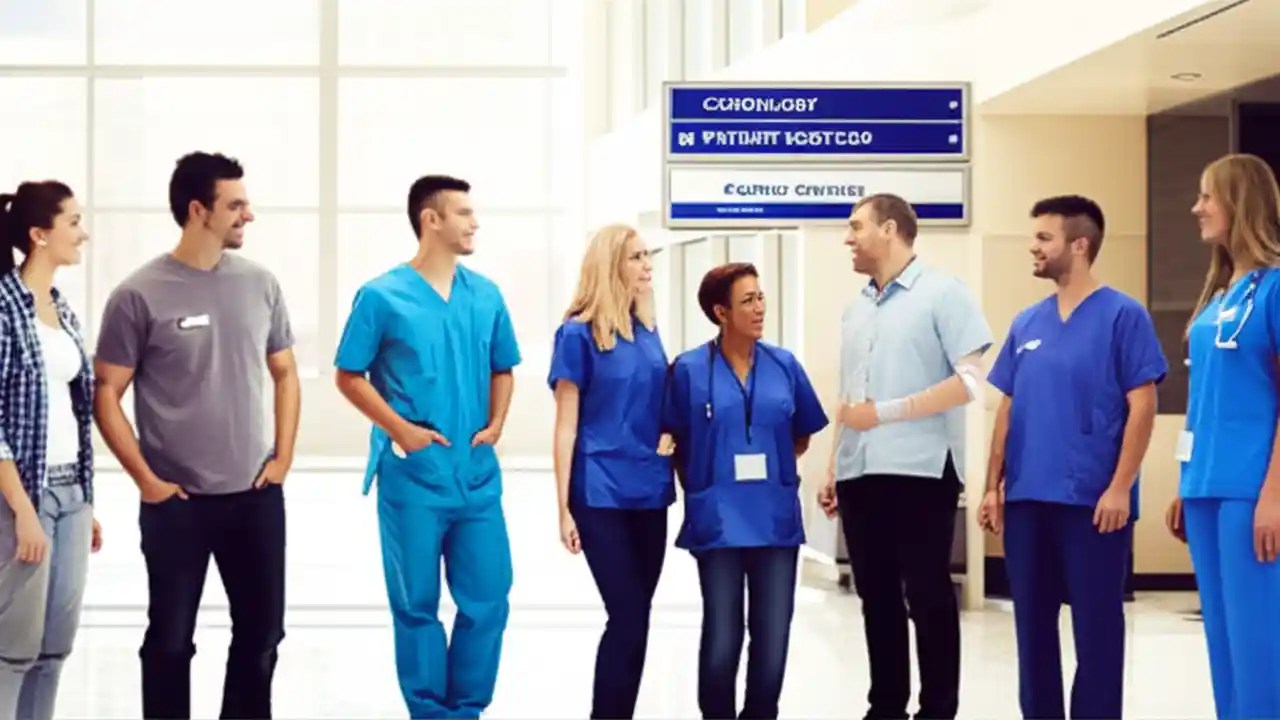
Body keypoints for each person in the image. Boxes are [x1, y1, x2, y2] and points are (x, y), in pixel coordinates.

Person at [93, 152, 300, 720]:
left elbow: (285, 372)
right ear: (197, 210)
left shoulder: (261, 284)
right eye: (235, 205)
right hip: (176, 505)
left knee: (262, 637)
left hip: (255, 496)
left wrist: (282, 459)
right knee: (169, 642)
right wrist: (147, 480)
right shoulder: (138, 295)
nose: (248, 215)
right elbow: (106, 392)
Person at [334, 174, 521, 719]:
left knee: (488, 596)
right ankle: (429, 713)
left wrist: (499, 420)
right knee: (416, 603)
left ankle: (466, 710)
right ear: (430, 219)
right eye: (463, 213)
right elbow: (350, 375)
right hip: (413, 476)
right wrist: (401, 431)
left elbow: (503, 367)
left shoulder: (485, 294)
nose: (474, 223)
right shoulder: (381, 296)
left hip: (477, 477)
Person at [981, 195, 1166, 719]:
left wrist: (1119, 486)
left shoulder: (1123, 316)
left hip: (1093, 504)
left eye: (1044, 238)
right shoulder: (1027, 322)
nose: (1033, 247)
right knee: (1032, 632)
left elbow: (1143, 403)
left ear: (1078, 245)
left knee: (1098, 630)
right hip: (1026, 501)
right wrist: (993, 485)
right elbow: (1007, 407)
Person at [817, 193, 992, 720]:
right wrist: (832, 468)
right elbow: (850, 400)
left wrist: (888, 412)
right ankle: (885, 706)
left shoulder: (944, 294)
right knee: (875, 598)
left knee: (928, 596)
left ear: (889, 229)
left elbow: (968, 383)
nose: (847, 238)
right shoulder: (856, 308)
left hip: (921, 471)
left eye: (856, 227)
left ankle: (938, 710)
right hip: (859, 471)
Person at [663, 262, 828, 720]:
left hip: (774, 520)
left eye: (761, 297)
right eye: (747, 301)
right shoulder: (690, 369)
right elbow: (674, 438)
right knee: (722, 635)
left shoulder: (784, 365)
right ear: (721, 312)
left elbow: (801, 434)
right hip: (717, 519)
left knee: (773, 637)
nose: (759, 308)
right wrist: (702, 485)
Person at [1166, 152, 1280, 720]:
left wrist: (1274, 494)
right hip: (1205, 486)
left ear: (1239, 203)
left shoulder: (1277, 289)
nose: (1196, 208)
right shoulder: (1219, 297)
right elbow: (1203, 400)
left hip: (1250, 490)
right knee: (1223, 648)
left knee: (1259, 643)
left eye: (1207, 197)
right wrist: (1184, 483)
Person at [547, 223, 675, 719]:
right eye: (634, 257)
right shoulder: (577, 333)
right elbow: (565, 428)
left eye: (648, 256)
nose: (647, 266)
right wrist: (562, 509)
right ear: (609, 265)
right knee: (625, 614)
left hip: (650, 488)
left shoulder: (648, 331)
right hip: (598, 492)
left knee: (638, 618)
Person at [0, 181, 102, 720]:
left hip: (70, 495)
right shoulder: (2, 308)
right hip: (25, 497)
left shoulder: (60, 307)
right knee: (13, 648)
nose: (82, 232)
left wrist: (87, 503)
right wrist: (22, 510)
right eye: (73, 221)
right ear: (40, 235)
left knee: (54, 647)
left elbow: (73, 414)